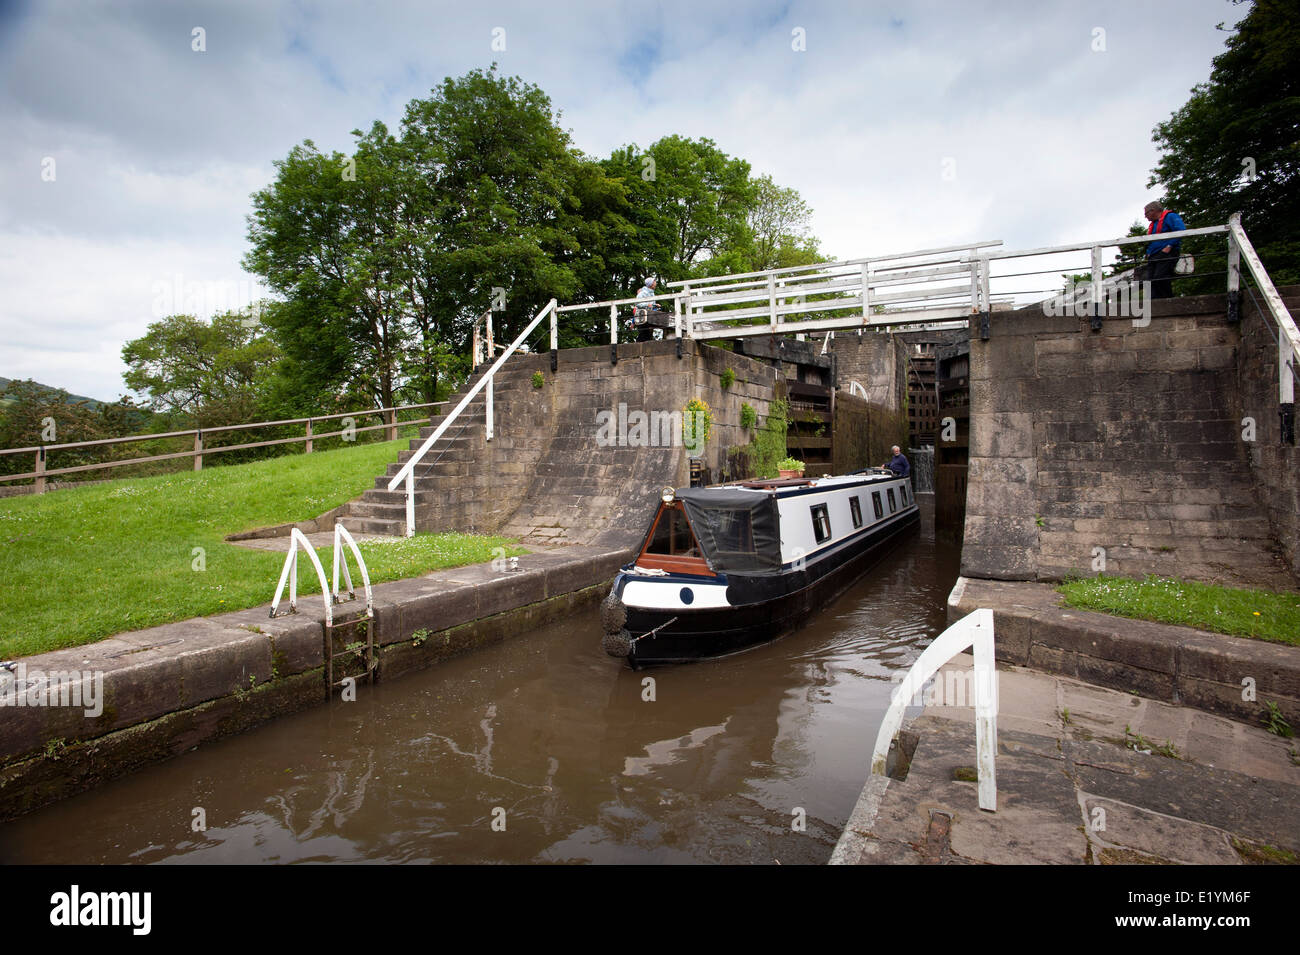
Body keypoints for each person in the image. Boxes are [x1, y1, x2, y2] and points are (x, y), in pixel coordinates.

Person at [1143, 201, 1186, 300]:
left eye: (1146, 213)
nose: (1145, 217)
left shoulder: (1170, 217)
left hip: (1167, 252)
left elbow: (1181, 230)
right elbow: (1152, 240)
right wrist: (1149, 252)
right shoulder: (1154, 224)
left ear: (1153, 211)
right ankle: (1154, 302)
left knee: (1160, 276)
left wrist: (1169, 246)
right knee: (1150, 280)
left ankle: (1168, 300)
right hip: (1154, 254)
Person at [634, 276, 666, 341]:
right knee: (643, 334)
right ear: (651, 284)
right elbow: (637, 304)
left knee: (647, 335)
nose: (656, 283)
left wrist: (655, 305)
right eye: (654, 282)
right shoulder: (642, 293)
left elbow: (651, 305)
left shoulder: (652, 293)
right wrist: (648, 305)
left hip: (648, 316)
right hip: (642, 316)